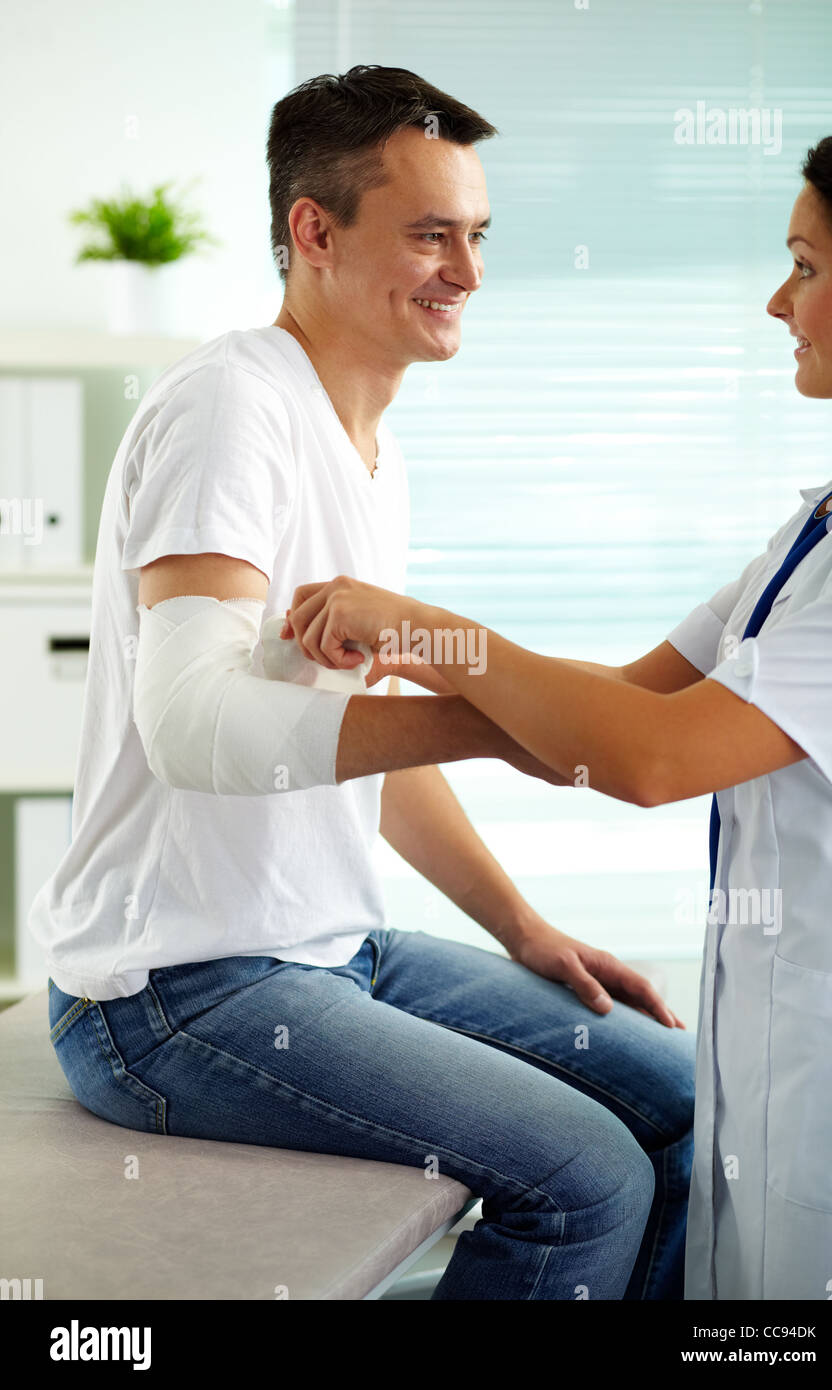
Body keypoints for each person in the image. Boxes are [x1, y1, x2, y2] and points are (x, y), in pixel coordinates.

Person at [34, 65, 695, 1302]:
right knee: (588, 1177)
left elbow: (345, 749)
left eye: (477, 234)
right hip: (174, 988)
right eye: (430, 234)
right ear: (314, 232)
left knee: (674, 1093)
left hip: (337, 949)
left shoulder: (372, 451)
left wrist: (520, 928)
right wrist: (492, 720)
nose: (468, 270)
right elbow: (192, 726)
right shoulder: (231, 409)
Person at [287, 133, 832, 1302]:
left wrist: (412, 627)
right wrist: (422, 657)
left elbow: (646, 757)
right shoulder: (822, 527)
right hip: (780, 1070)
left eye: (803, 265)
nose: (775, 300)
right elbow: (614, 699)